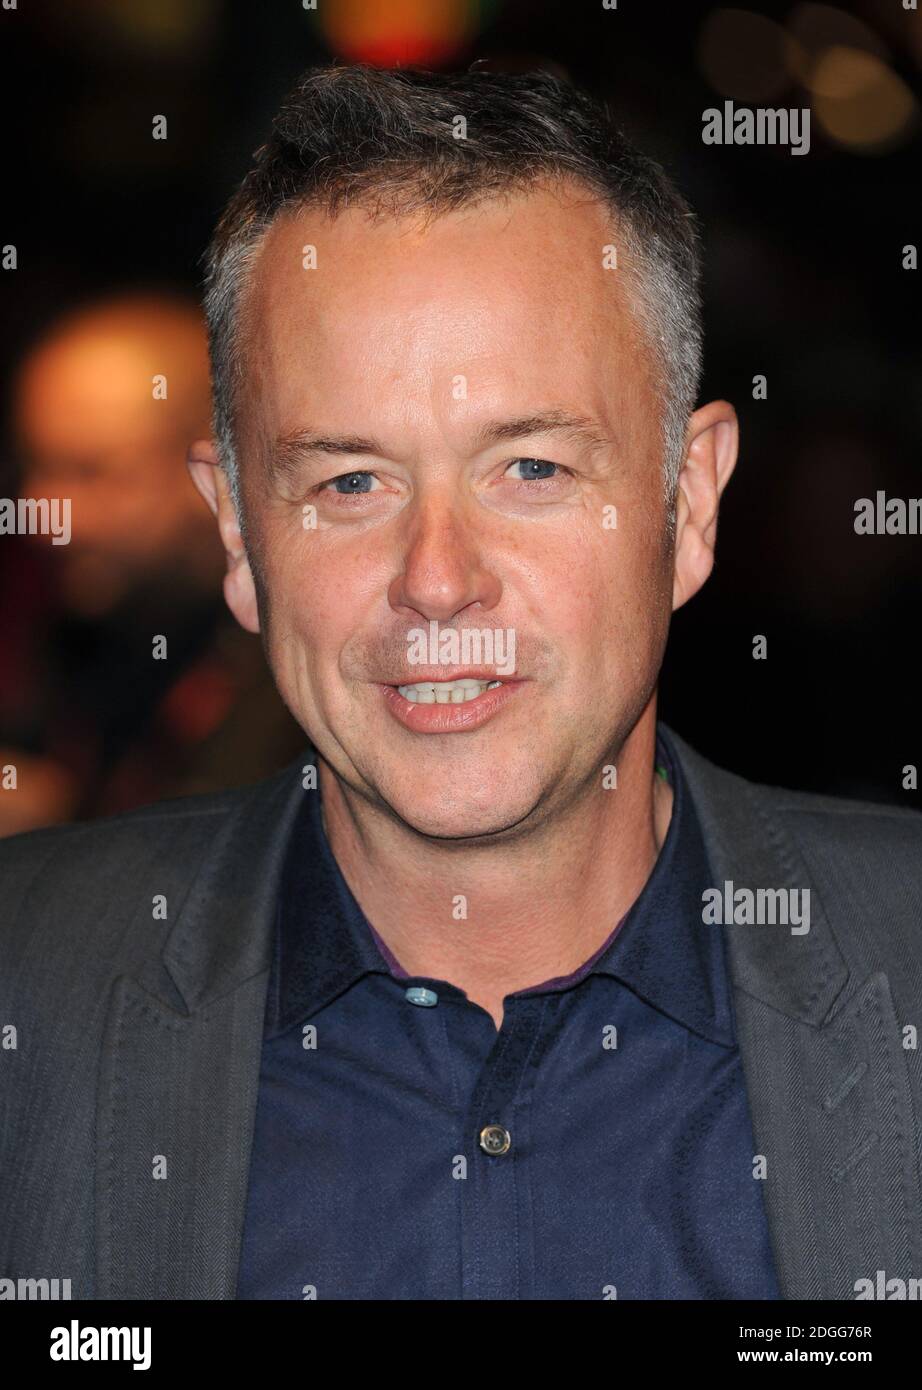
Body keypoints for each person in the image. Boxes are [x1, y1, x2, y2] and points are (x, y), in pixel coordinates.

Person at [2, 64, 920, 1302]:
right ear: (237, 535)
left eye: (530, 468)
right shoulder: (28, 991)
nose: (436, 579)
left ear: (689, 503)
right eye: (350, 482)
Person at [0, 292, 304, 833]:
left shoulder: (296, 671)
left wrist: (61, 839)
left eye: (90, 472)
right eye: (35, 466)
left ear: (213, 470)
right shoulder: (87, 633)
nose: (42, 511)